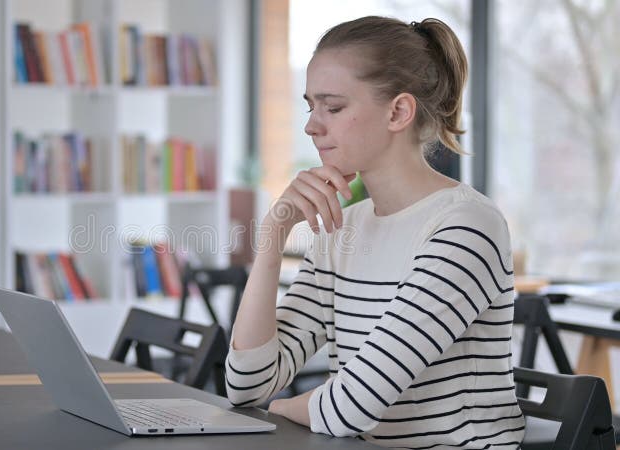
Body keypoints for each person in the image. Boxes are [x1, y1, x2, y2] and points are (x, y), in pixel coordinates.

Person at [225, 16, 525, 448]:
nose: (312, 125)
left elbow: (352, 406)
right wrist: (274, 233)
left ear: (399, 111)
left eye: (334, 107)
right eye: (311, 106)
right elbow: (248, 386)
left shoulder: (466, 226)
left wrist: (282, 409)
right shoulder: (341, 227)